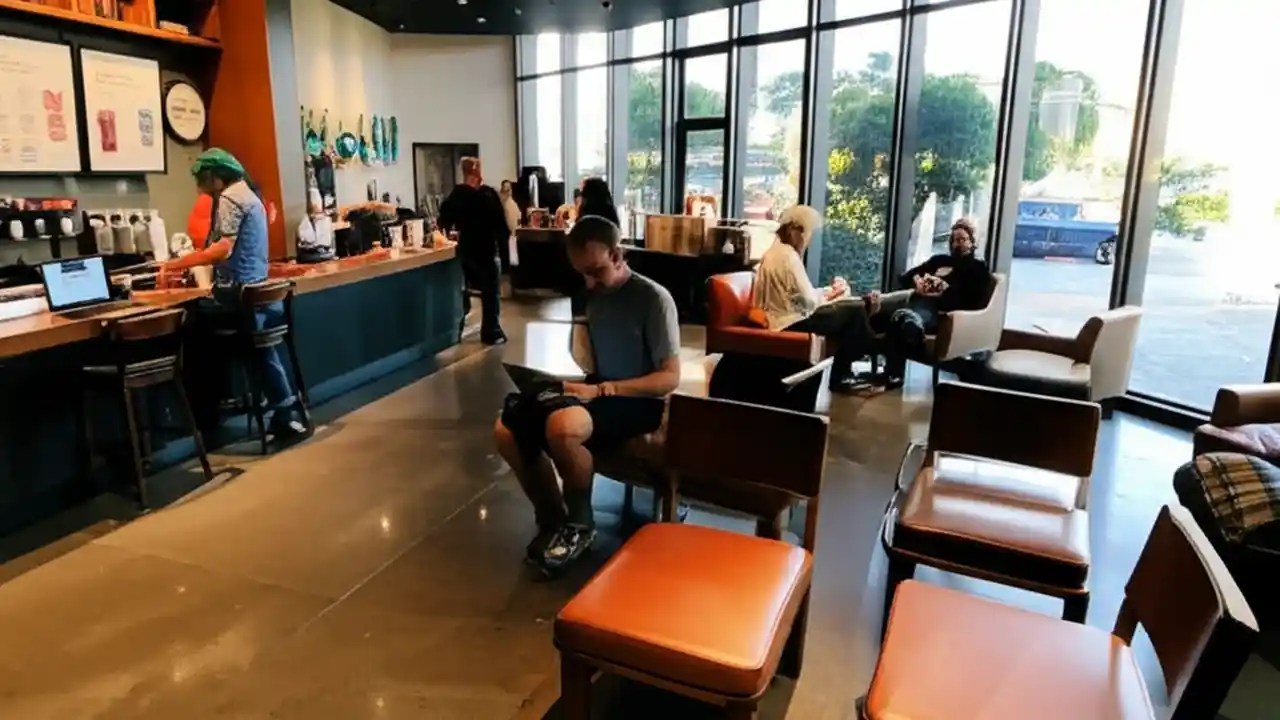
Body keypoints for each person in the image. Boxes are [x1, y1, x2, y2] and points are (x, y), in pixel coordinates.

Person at [493, 214, 681, 575]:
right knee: (506, 428)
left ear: (618, 254)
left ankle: (581, 524)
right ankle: (552, 518)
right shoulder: (590, 296)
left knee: (564, 428)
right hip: (599, 391)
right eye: (581, 272)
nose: (588, 280)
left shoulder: (653, 299)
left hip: (641, 400)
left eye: (595, 270)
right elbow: (587, 360)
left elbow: (668, 378)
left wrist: (603, 389)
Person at [159, 148, 307, 438]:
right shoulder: (251, 195)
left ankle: (205, 418)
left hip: (237, 297)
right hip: (259, 297)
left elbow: (223, 248)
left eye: (201, 178)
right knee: (255, 347)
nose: (198, 186)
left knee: (190, 326)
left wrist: (177, 262)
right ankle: (284, 410)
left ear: (215, 177)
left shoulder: (229, 198)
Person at [753, 205, 875, 391]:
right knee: (856, 310)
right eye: (806, 233)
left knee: (852, 310)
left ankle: (849, 366)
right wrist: (829, 295)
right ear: (794, 231)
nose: (807, 240)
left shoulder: (773, 253)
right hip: (792, 321)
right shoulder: (788, 257)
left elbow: (796, 295)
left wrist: (826, 293)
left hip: (781, 317)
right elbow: (807, 302)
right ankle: (843, 374)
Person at [879, 217, 993, 389]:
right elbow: (906, 277)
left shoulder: (977, 268)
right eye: (955, 240)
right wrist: (917, 281)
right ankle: (894, 371)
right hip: (918, 300)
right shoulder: (939, 261)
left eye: (963, 239)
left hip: (945, 312)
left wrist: (944, 290)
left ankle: (908, 337)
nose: (958, 243)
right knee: (892, 314)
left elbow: (973, 298)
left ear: (971, 242)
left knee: (908, 317)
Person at [437, 157, 507, 345]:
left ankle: (458, 328)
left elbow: (443, 221)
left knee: (463, 290)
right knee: (490, 294)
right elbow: (501, 228)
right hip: (486, 250)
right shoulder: (488, 196)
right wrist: (506, 259)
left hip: (466, 252)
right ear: (478, 172)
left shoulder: (456, 196)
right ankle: (491, 331)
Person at [498, 180, 520, 271]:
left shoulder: (512, 203)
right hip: (506, 233)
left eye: (509, 188)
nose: (507, 191)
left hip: (514, 233)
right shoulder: (501, 203)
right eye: (505, 189)